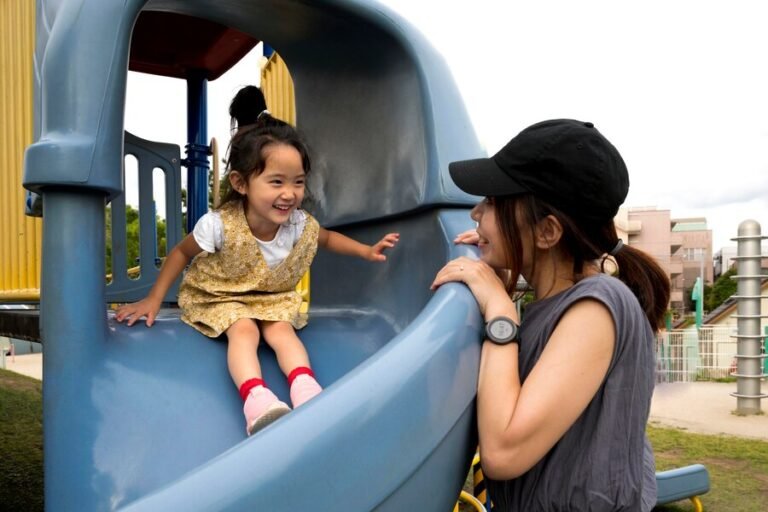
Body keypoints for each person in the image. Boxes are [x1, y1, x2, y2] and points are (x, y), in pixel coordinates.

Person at [431, 119, 669, 511]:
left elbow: (504, 452)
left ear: (546, 233)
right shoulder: (562, 303)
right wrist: (505, 258)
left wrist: (499, 310)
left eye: (492, 203)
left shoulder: (598, 305)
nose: (476, 213)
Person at [116, 114, 400, 436]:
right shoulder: (220, 225)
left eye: (298, 181)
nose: (290, 193)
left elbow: (328, 238)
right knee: (244, 330)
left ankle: (305, 389)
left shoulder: (297, 224)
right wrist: (154, 298)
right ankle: (256, 399)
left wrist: (366, 250)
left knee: (281, 330)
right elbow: (181, 252)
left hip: (270, 297)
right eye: (276, 182)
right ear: (241, 184)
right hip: (221, 295)